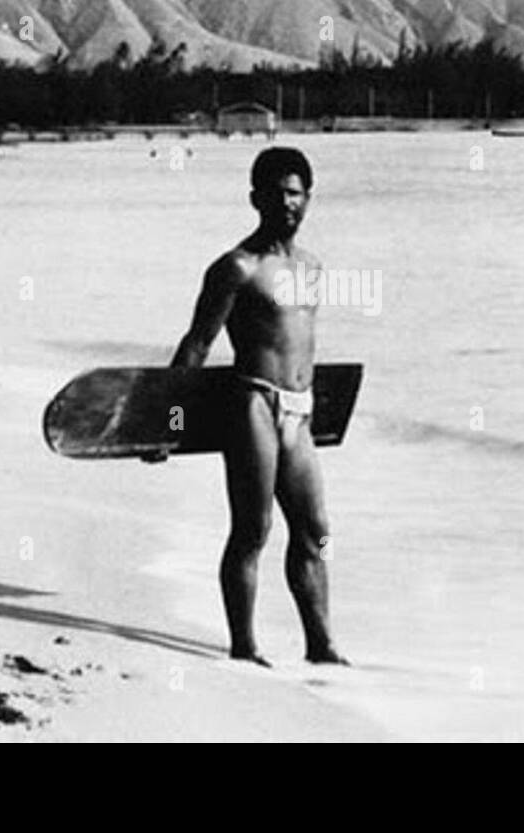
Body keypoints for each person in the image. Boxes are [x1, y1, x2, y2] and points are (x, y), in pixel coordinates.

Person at [153, 147, 348, 666]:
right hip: (251, 403)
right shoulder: (235, 268)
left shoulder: (312, 268)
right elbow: (197, 344)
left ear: (309, 198)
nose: (286, 202)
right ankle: (244, 645)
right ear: (255, 198)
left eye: (295, 192)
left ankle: (321, 644)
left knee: (315, 531)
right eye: (276, 192)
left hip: (299, 411)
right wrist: (166, 423)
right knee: (252, 529)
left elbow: (300, 345)